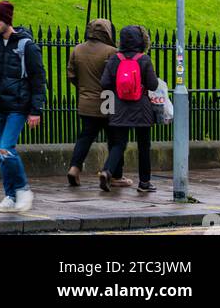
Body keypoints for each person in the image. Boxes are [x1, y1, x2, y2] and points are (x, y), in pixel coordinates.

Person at [0, 0, 46, 213]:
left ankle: (23, 190)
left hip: (18, 106)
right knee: (1, 152)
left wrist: (35, 110)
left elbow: (38, 78)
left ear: (7, 21)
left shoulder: (27, 46)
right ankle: (10, 196)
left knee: (6, 148)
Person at [66, 19, 130, 186]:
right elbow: (117, 79)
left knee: (85, 137)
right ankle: (114, 174)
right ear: (108, 32)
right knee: (116, 140)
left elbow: (71, 75)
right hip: (107, 102)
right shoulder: (112, 52)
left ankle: (74, 168)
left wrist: (84, 88)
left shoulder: (77, 49)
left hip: (85, 102)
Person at [99, 23, 159, 193]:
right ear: (140, 40)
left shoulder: (115, 59)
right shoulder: (144, 60)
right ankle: (145, 183)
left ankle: (107, 170)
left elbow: (104, 83)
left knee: (118, 144)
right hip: (142, 108)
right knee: (144, 146)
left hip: (120, 108)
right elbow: (153, 85)